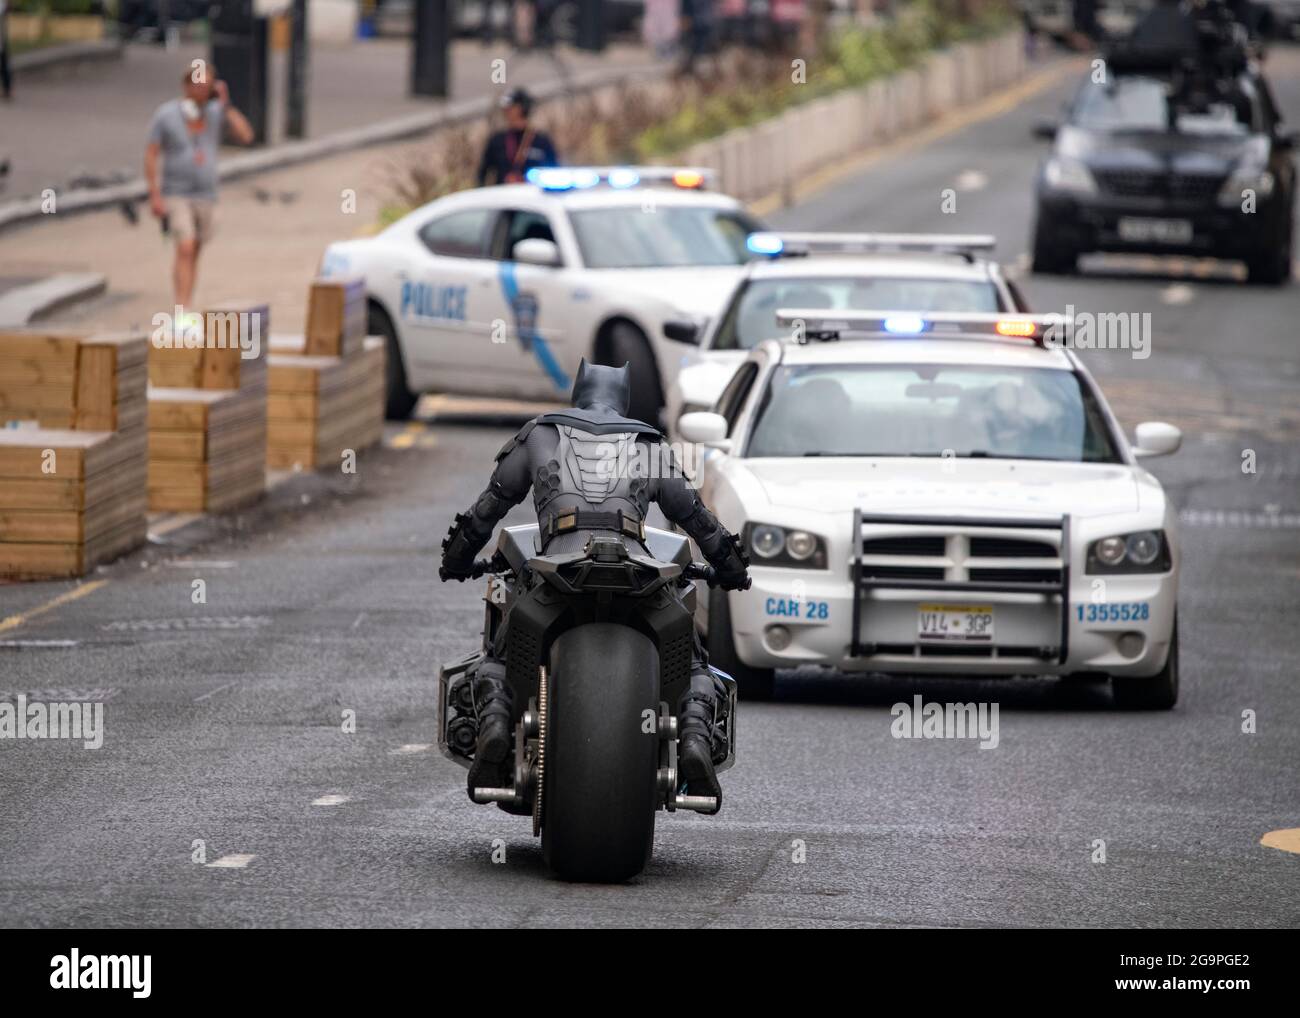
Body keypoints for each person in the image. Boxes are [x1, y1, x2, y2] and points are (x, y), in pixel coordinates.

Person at [439, 360, 751, 807]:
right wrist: (733, 571)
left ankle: (493, 726)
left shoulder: (539, 433)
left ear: (577, 394)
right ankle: (696, 740)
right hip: (637, 571)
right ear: (623, 398)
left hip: (556, 569)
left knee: (501, 652)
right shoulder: (649, 442)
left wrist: (456, 561)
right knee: (695, 665)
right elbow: (698, 520)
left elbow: (487, 509)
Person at [144, 66, 255, 316]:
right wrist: (154, 194)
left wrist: (226, 104)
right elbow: (151, 153)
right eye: (198, 85)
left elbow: (247, 136)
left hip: (207, 195)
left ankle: (187, 302)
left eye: (207, 86)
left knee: (194, 250)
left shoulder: (216, 113)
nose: (202, 91)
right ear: (186, 86)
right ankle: (181, 309)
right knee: (185, 245)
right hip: (175, 193)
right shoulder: (166, 115)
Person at [476, 87, 558, 186]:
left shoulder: (541, 141)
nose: (507, 111)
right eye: (505, 108)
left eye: (511, 107)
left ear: (523, 108)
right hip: (504, 195)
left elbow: (554, 170)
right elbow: (483, 173)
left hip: (533, 195)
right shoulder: (497, 141)